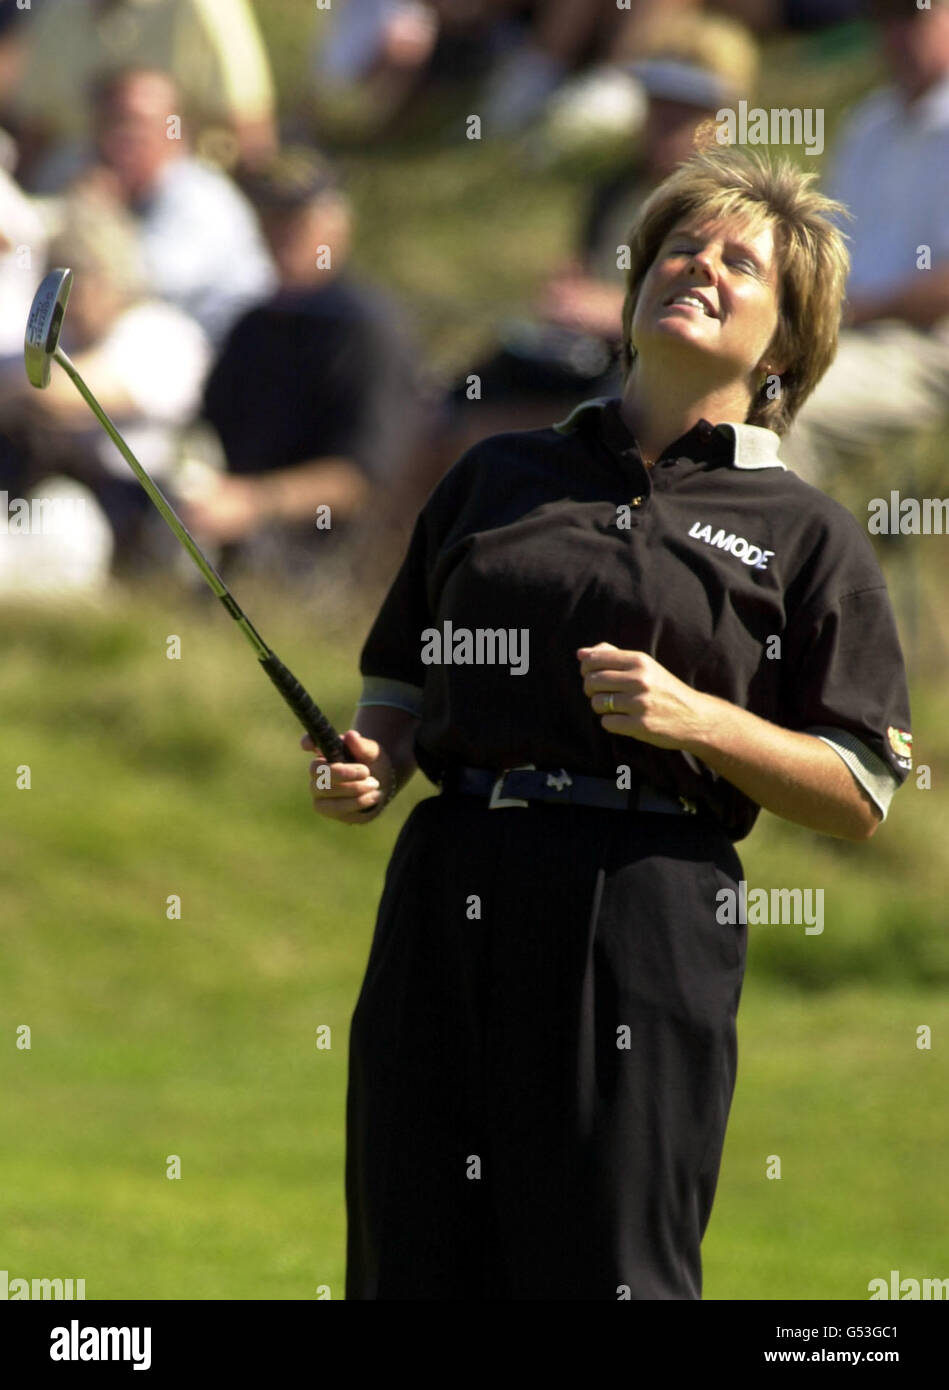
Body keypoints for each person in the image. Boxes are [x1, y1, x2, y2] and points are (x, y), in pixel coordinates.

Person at [305, 144, 913, 1300]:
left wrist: (700, 721)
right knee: (409, 1248)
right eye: (682, 247)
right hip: (451, 882)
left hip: (644, 908)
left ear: (783, 345)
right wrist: (371, 759)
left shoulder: (806, 533)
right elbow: (398, 678)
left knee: (609, 1269)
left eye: (741, 262)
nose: (700, 266)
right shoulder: (499, 475)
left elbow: (858, 786)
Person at [188, 147, 430, 577]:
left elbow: (366, 477)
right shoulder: (254, 323)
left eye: (297, 221)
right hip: (233, 529)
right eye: (271, 219)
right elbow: (209, 426)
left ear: (338, 226)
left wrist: (253, 502)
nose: (282, 235)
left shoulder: (365, 327)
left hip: (324, 553)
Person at [779, 0, 949, 483]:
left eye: (912, 17)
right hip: (846, 331)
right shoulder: (868, 123)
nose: (896, 35)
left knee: (780, 402)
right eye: (884, 19)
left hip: (927, 348)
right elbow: (822, 245)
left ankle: (786, 555)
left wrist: (849, 313)